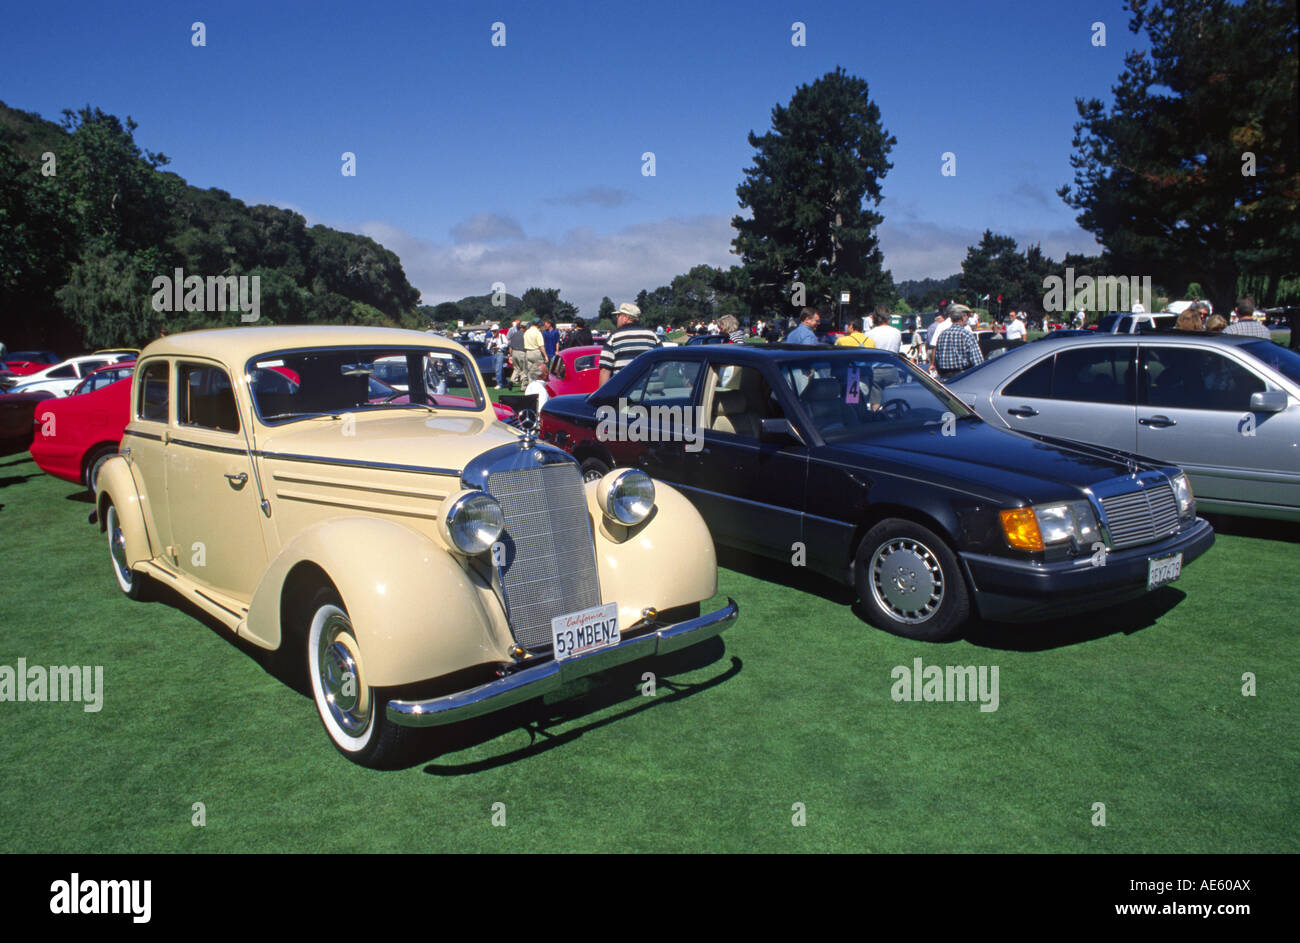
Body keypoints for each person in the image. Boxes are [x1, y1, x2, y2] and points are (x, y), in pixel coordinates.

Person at [599, 302, 660, 384]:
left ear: (625, 318)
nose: (617, 318)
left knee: (622, 398)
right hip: (649, 393)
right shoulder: (652, 335)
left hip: (624, 393)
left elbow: (605, 370)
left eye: (618, 315)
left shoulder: (614, 337)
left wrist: (603, 396)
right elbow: (664, 365)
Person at [932, 305, 984, 380]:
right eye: (967, 317)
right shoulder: (967, 335)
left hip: (945, 379)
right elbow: (978, 363)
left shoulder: (942, 335)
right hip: (963, 378)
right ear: (963, 317)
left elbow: (937, 360)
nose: (968, 319)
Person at [507, 319, 526, 388]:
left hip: (514, 352)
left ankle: (511, 380)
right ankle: (523, 386)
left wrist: (510, 355)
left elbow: (510, 345)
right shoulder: (525, 334)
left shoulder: (514, 334)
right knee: (524, 369)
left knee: (516, 369)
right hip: (522, 352)